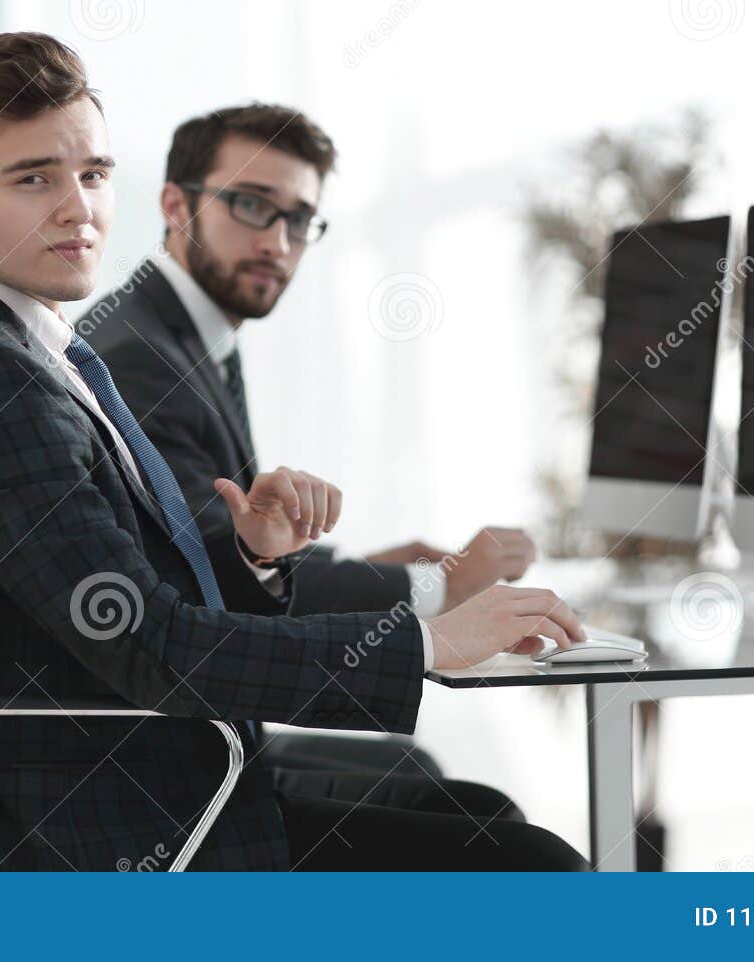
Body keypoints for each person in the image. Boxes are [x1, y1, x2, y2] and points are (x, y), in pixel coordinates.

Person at [0, 32, 587, 871]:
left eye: (92, 174)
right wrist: (430, 642)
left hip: (148, 777)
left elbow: (122, 592)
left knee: (488, 821)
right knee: (534, 866)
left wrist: (251, 557)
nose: (77, 208)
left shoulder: (6, 347)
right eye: (33, 178)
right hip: (120, 829)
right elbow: (149, 643)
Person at [82, 103, 536, 813]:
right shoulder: (141, 359)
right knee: (499, 829)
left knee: (419, 772)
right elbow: (217, 584)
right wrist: (440, 590)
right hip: (171, 764)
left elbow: (236, 559)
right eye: (252, 206)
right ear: (175, 205)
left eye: (299, 219)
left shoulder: (176, 336)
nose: (278, 241)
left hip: (197, 730)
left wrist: (399, 571)